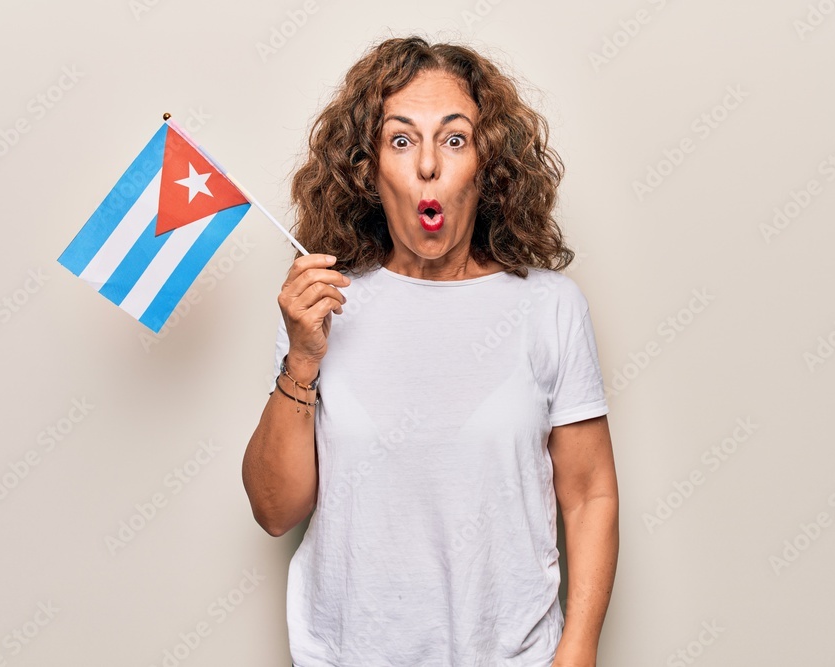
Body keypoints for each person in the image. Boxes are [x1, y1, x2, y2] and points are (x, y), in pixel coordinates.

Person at [242, 36, 619, 667]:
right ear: (367, 168)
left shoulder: (550, 306)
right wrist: (302, 360)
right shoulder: (323, 305)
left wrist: (577, 649)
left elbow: (588, 495)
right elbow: (276, 511)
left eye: (453, 138)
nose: (426, 166)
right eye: (400, 139)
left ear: (489, 164)